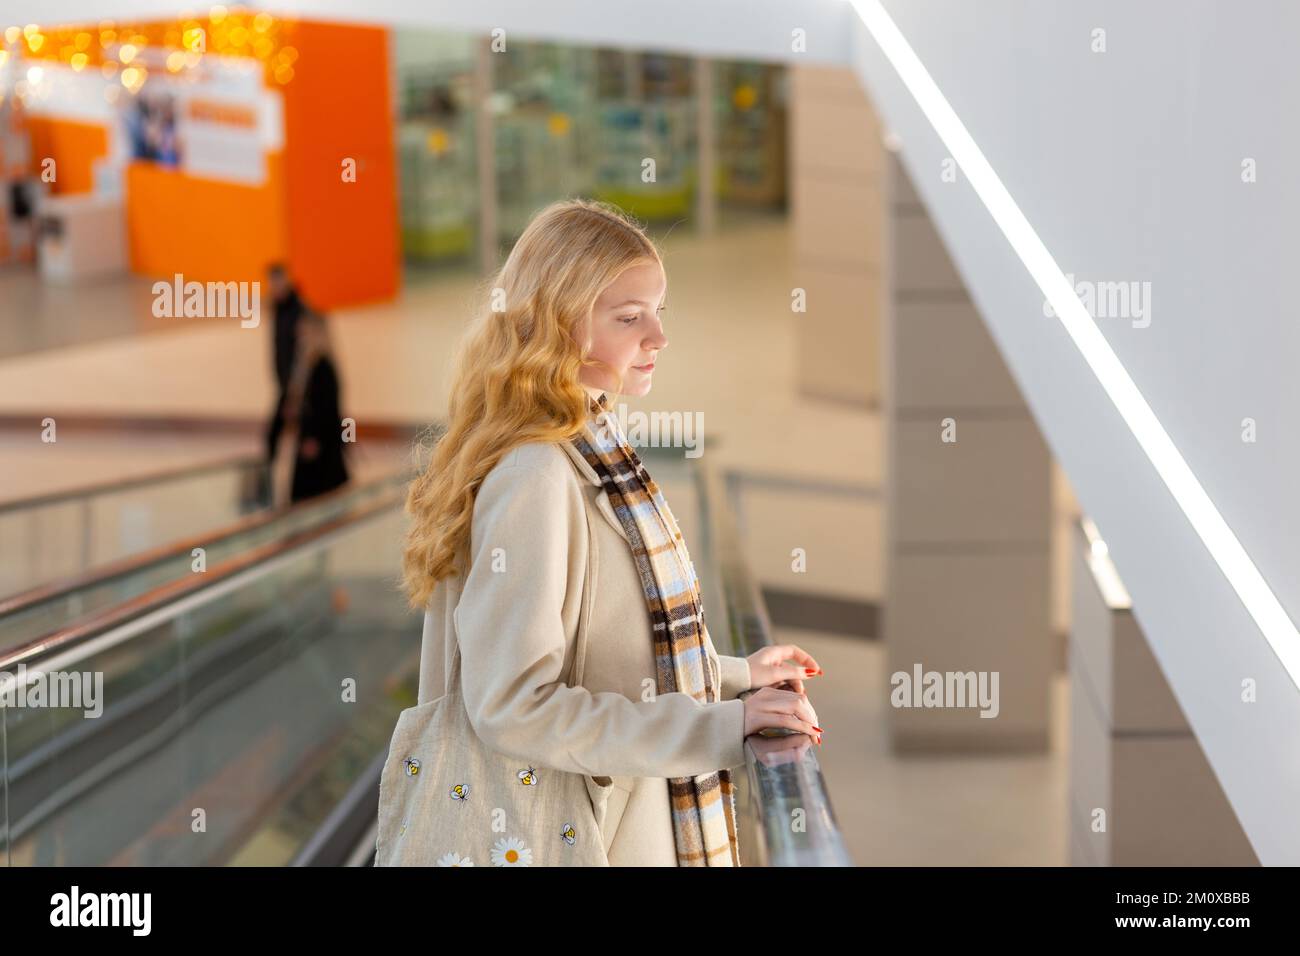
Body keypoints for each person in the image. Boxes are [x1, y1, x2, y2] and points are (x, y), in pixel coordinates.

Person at [397, 198, 823, 867]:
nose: (658, 336)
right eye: (630, 318)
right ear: (557, 325)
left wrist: (733, 675)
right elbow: (511, 704)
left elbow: (606, 652)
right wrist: (719, 726)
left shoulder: (595, 444)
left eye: (659, 311)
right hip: (572, 831)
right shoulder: (538, 473)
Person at [277, 309, 350, 503]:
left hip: (319, 447)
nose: (301, 339)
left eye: (305, 333)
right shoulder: (308, 367)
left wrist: (314, 438)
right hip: (311, 442)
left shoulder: (323, 367)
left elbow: (328, 410)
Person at [262, 263, 307, 483]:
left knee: (276, 435)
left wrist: (294, 389)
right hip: (285, 384)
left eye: (277, 282)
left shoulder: (298, 311)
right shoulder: (277, 308)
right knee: (287, 435)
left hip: (295, 387)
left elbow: (302, 354)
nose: (274, 287)